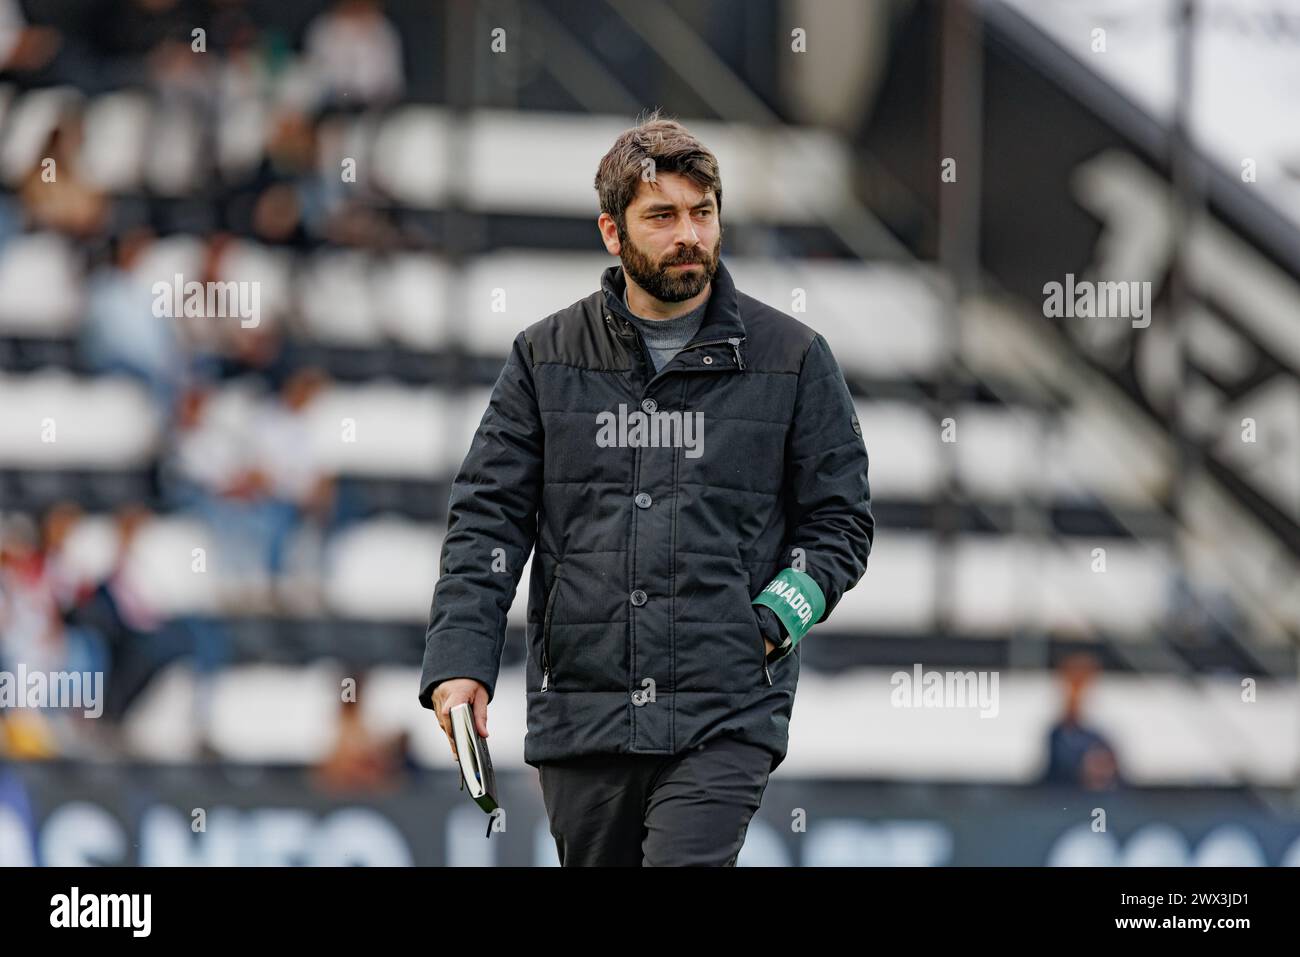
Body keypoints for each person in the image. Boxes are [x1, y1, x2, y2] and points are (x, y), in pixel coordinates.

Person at [419, 113, 874, 866]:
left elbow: (840, 526)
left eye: (703, 212)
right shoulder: (543, 357)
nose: (688, 233)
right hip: (583, 714)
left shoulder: (794, 360)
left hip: (724, 710)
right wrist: (460, 661)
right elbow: (487, 523)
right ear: (612, 231)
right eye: (662, 216)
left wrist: (765, 622)